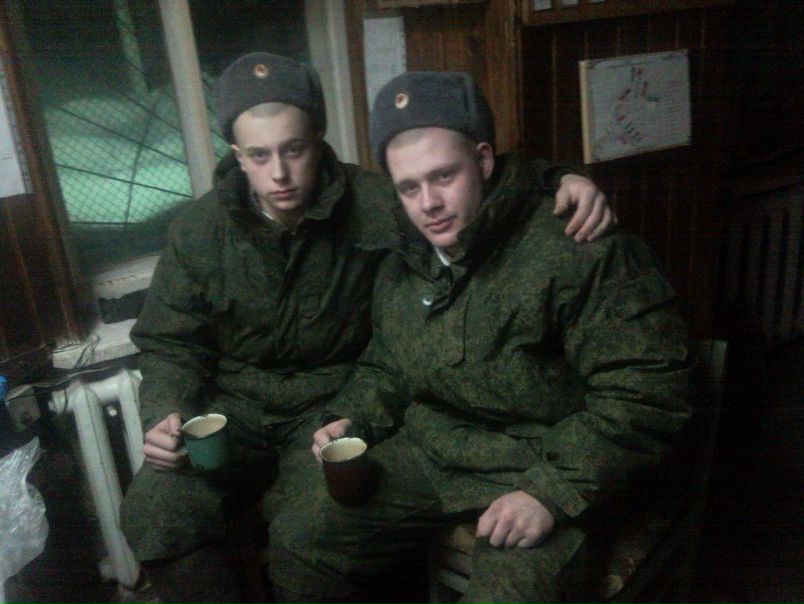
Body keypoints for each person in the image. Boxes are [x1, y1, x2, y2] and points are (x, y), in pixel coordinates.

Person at [119, 53, 614, 604]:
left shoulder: (380, 203)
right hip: (236, 410)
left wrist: (560, 178)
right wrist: (166, 413)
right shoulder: (197, 229)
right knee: (156, 509)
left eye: (293, 150)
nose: (279, 173)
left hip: (329, 403)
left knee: (317, 511)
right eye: (258, 155)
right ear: (237, 156)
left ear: (318, 141)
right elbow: (168, 341)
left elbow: (473, 185)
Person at [267, 71, 695, 604]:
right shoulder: (405, 258)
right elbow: (389, 365)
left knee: (512, 594)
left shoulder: (579, 246)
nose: (428, 203)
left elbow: (648, 392)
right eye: (409, 187)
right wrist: (352, 418)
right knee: (301, 536)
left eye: (444, 176)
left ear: (484, 161)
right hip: (437, 451)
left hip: (547, 461)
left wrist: (551, 492)